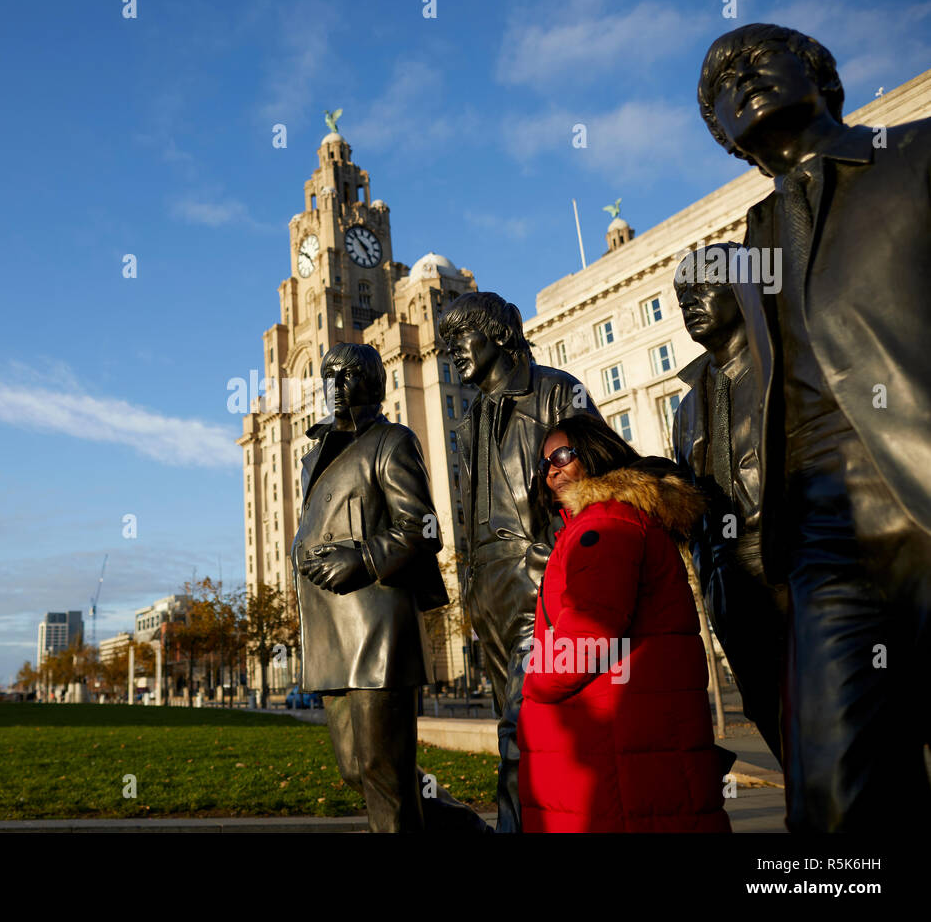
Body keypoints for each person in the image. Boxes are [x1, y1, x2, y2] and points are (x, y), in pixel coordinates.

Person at [699, 23, 931, 830]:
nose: (742, 78)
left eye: (759, 58)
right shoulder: (749, 248)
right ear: (726, 135)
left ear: (820, 71)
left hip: (919, 493)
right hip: (823, 537)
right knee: (831, 799)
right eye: (721, 83)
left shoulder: (912, 154)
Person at [292, 342, 486, 832]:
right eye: (330, 375)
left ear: (374, 384)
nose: (337, 385)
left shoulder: (390, 440)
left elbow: (423, 527)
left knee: (384, 771)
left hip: (376, 627)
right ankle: (469, 831)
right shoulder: (311, 457)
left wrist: (362, 557)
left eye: (351, 375)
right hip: (327, 630)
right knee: (360, 769)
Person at [518, 414, 732, 832]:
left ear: (594, 453)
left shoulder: (604, 522)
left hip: (613, 734)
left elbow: (589, 632)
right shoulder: (609, 519)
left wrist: (533, 684)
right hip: (626, 731)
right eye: (545, 465)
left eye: (562, 455)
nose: (552, 471)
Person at [439, 292, 599, 832]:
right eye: (446, 341)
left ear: (499, 334)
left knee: (519, 733)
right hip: (488, 594)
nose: (453, 350)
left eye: (462, 335)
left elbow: (595, 475)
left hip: (540, 582)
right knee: (523, 732)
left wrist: (555, 556)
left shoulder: (554, 391)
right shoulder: (472, 418)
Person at [671, 244, 787, 764]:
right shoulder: (686, 407)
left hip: (790, 562)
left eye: (702, 287)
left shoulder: (783, 367)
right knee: (773, 715)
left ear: (741, 287)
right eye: (681, 296)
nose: (689, 302)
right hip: (725, 580)